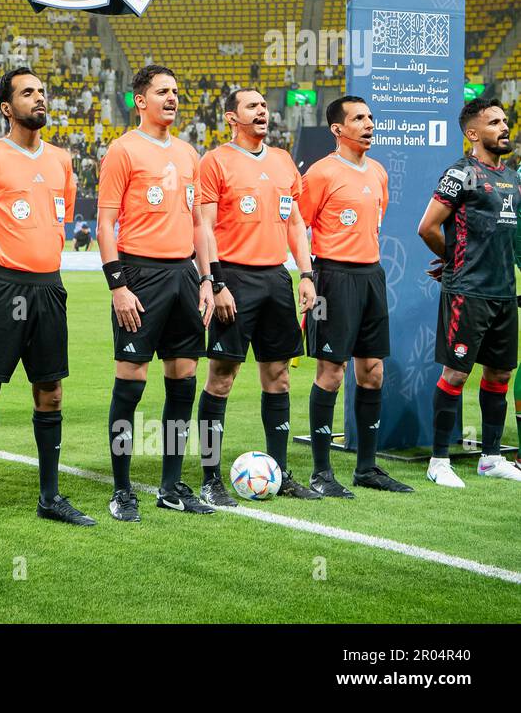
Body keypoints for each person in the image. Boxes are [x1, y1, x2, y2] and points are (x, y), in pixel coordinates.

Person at [0, 67, 93, 536]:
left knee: (50, 392)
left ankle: (50, 497)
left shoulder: (62, 161)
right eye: (28, 92)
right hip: (4, 288)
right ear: (7, 108)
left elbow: (62, 220)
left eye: (43, 91)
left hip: (49, 288)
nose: (40, 98)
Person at [96, 64, 215, 522]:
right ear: (139, 101)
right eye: (163, 91)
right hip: (139, 276)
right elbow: (106, 224)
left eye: (176, 91)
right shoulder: (123, 151)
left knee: (183, 377)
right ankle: (123, 489)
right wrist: (118, 285)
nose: (172, 98)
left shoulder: (189, 154)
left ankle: (170, 485)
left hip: (184, 276)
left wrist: (206, 280)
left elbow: (200, 224)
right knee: (132, 380)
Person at [196, 88, 319, 503]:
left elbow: (296, 223)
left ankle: (280, 472)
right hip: (233, 277)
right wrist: (216, 282)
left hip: (276, 279)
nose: (263, 111)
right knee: (222, 377)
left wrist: (305, 273)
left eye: (265, 106)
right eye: (253, 106)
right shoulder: (215, 161)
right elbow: (206, 228)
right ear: (232, 118)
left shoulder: (284, 161)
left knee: (279, 376)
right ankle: (210, 478)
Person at [300, 96, 411, 494]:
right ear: (337, 129)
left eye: (370, 117)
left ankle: (367, 468)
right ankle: (321, 472)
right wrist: (307, 276)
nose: (368, 124)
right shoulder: (320, 174)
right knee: (331, 373)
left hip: (371, 276)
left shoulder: (379, 172)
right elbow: (299, 227)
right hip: (333, 277)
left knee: (373, 371)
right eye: (358, 118)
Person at [416, 97, 521, 487]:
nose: (504, 127)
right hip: (468, 293)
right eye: (494, 122)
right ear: (473, 134)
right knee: (456, 374)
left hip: (504, 294)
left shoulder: (512, 178)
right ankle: (439, 460)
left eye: (505, 120)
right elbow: (427, 227)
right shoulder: (461, 174)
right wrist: (453, 262)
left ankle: (491, 457)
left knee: (500, 372)